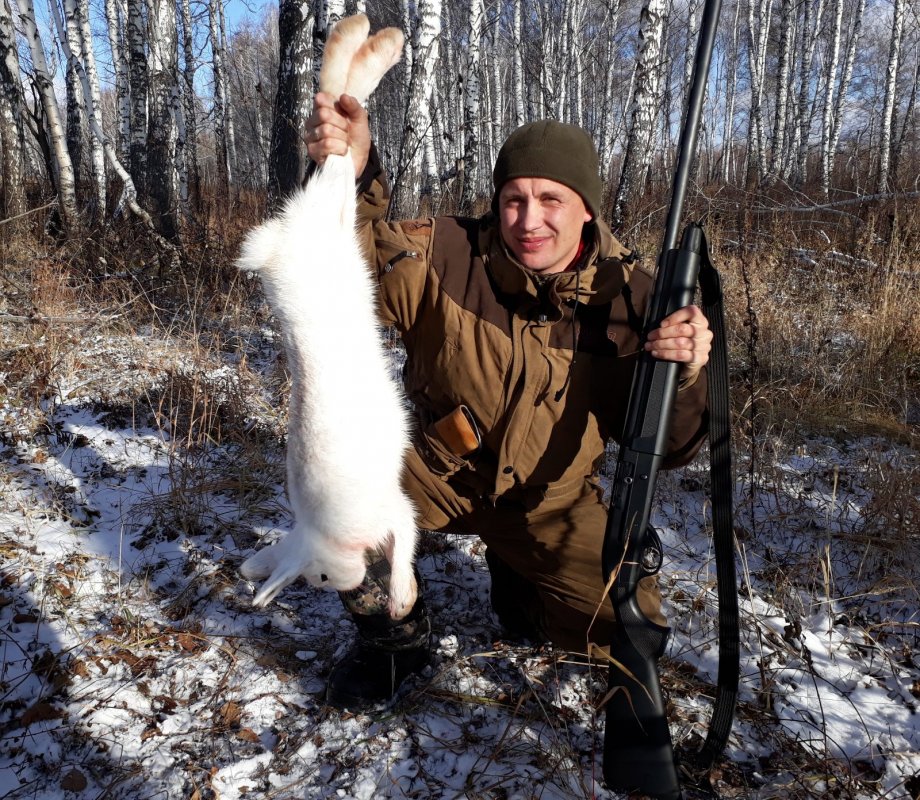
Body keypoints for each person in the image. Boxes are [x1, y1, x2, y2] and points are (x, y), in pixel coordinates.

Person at [305, 93, 713, 709]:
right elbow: (332, 267)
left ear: (586, 211)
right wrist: (353, 174)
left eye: (552, 200)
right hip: (437, 472)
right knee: (338, 518)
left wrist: (687, 373)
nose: (529, 221)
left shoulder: (636, 299)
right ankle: (397, 644)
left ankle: (521, 575)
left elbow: (673, 447)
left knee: (631, 632)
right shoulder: (442, 253)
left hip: (553, 499)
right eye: (514, 199)